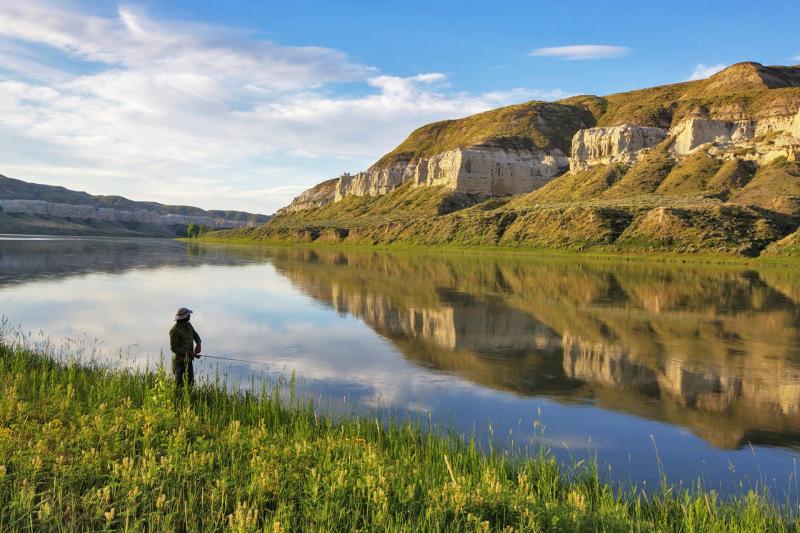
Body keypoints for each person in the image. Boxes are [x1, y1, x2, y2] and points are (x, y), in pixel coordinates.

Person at [169, 307, 201, 388]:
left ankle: (189, 398)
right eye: (188, 315)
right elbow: (174, 348)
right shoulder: (174, 330)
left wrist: (198, 343)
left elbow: (195, 335)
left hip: (188, 360)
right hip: (179, 362)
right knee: (179, 385)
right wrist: (189, 352)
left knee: (190, 384)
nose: (190, 316)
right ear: (184, 317)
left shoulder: (189, 325)